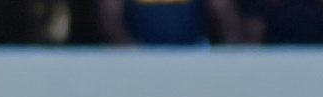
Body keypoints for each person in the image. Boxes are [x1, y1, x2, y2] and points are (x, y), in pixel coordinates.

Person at [98, 0, 241, 42]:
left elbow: (222, 9)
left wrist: (230, 49)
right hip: (139, 59)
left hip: (193, 55)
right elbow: (110, 13)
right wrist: (127, 47)